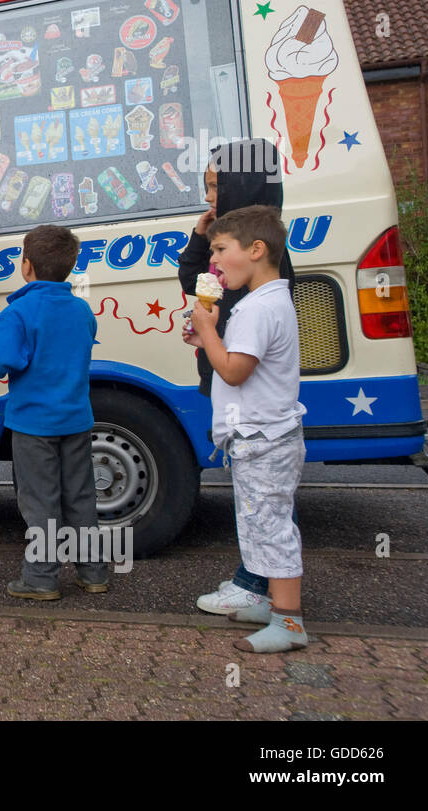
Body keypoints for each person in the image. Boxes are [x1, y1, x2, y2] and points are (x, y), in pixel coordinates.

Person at [178, 139, 295, 619]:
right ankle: (255, 582)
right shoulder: (237, 249)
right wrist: (200, 238)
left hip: (249, 395)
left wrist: (208, 332)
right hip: (231, 379)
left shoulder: (260, 272)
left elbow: (236, 351)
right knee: (254, 502)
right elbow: (199, 286)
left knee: (263, 505)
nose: (208, 198)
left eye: (213, 188)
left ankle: (264, 593)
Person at [187, 206, 308, 652]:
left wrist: (208, 331)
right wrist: (210, 339)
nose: (213, 261)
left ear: (256, 250)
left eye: (220, 249)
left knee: (271, 528)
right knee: (258, 524)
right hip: (264, 437)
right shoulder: (270, 300)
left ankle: (290, 624)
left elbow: (235, 371)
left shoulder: (259, 309)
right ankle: (270, 603)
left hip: (264, 439)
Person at [0, 224, 107, 599]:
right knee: (81, 497)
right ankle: (94, 572)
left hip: (33, 424)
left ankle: (41, 577)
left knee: (40, 502)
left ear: (27, 265)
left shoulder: (18, 312)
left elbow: (1, 361)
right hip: (77, 420)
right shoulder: (82, 310)